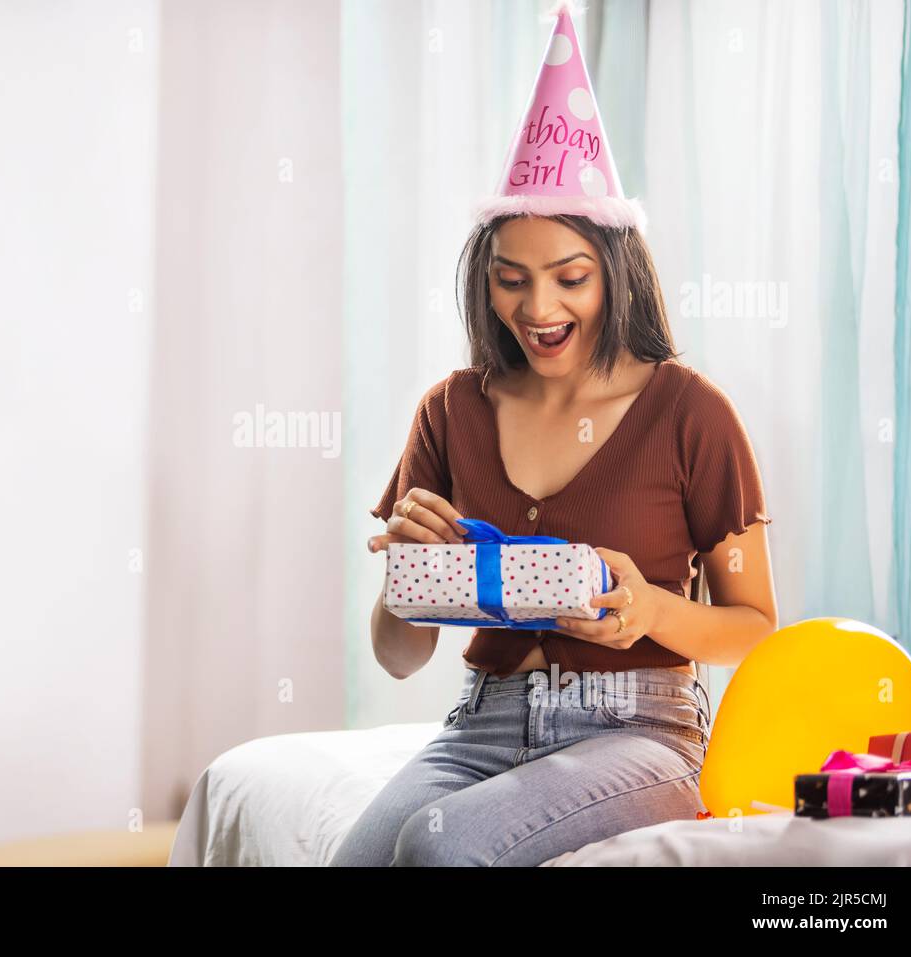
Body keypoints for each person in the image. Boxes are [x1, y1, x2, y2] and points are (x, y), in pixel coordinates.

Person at [328, 2, 777, 867]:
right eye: (511, 280)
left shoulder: (691, 413)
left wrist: (646, 608)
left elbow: (755, 623)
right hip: (482, 719)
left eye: (569, 278)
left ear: (614, 273)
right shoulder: (449, 410)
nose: (538, 309)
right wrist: (402, 584)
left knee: (443, 845)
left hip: (643, 731)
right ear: (484, 284)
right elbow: (396, 655)